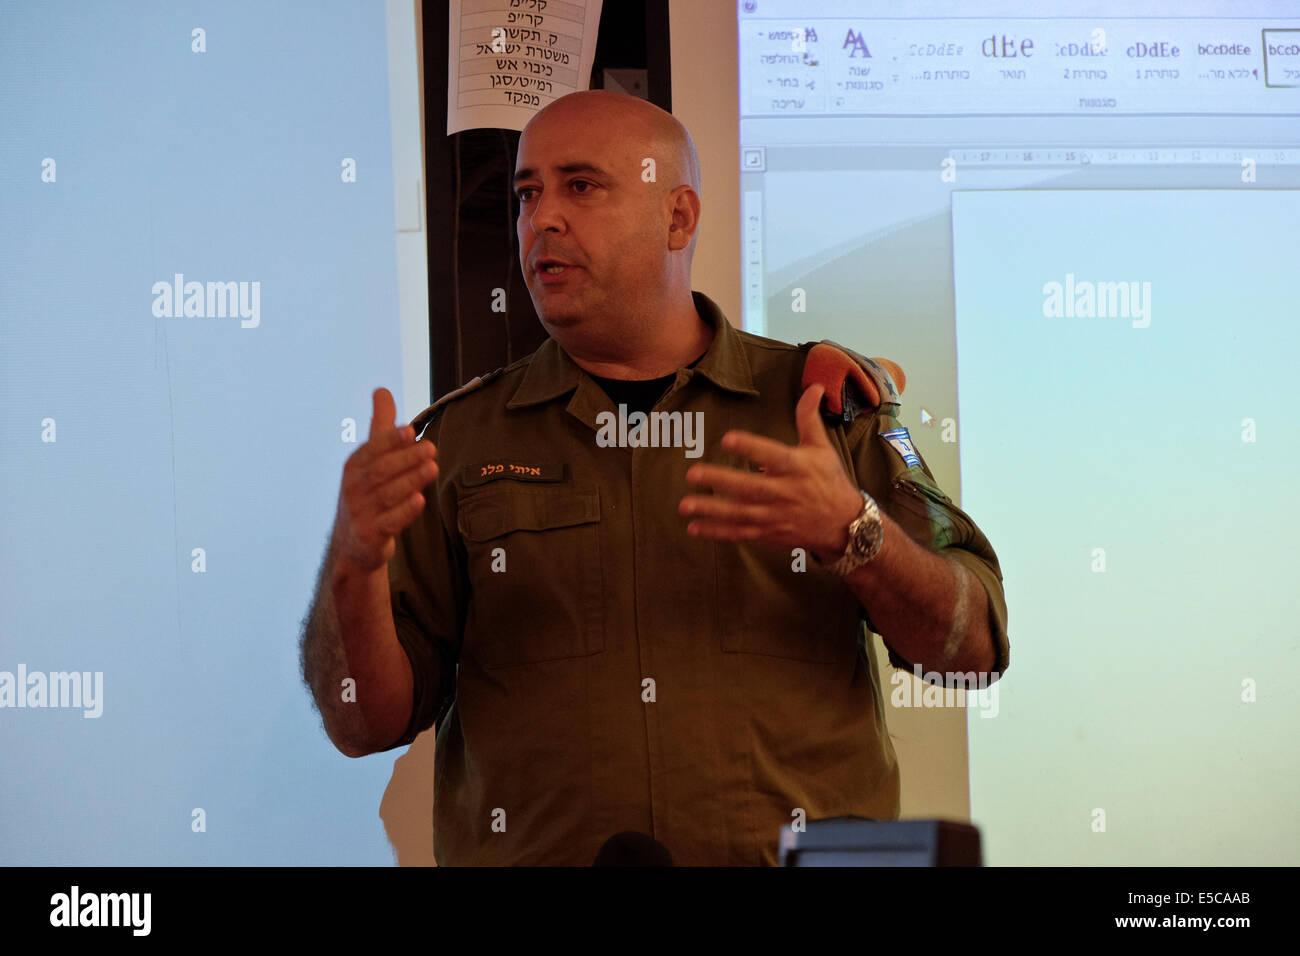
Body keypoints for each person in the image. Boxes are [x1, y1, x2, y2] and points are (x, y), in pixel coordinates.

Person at [300, 90, 1009, 866]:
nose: (542, 219)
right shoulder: (460, 441)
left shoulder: (823, 405)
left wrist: (857, 537)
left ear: (678, 217)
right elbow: (361, 723)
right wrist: (354, 563)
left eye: (581, 185)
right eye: (527, 193)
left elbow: (972, 649)